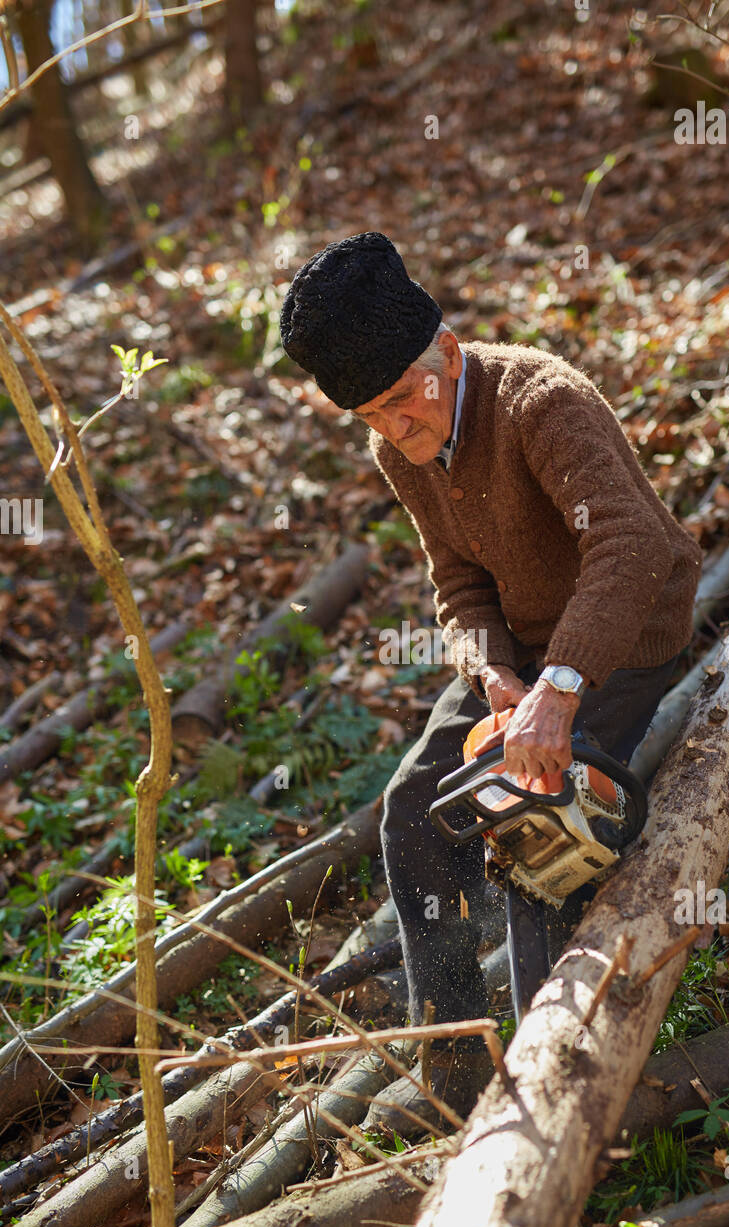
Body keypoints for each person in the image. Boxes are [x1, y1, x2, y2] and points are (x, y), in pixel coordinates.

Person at [280, 231, 702, 1136]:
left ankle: (558, 1091)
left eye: (403, 399)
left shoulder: (540, 402)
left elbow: (631, 545)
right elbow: (459, 586)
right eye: (372, 415)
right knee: (411, 811)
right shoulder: (403, 451)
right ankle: (460, 1071)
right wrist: (494, 671)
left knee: (534, 827)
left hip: (624, 633)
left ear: (448, 352)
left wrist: (560, 684)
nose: (397, 428)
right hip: (527, 654)